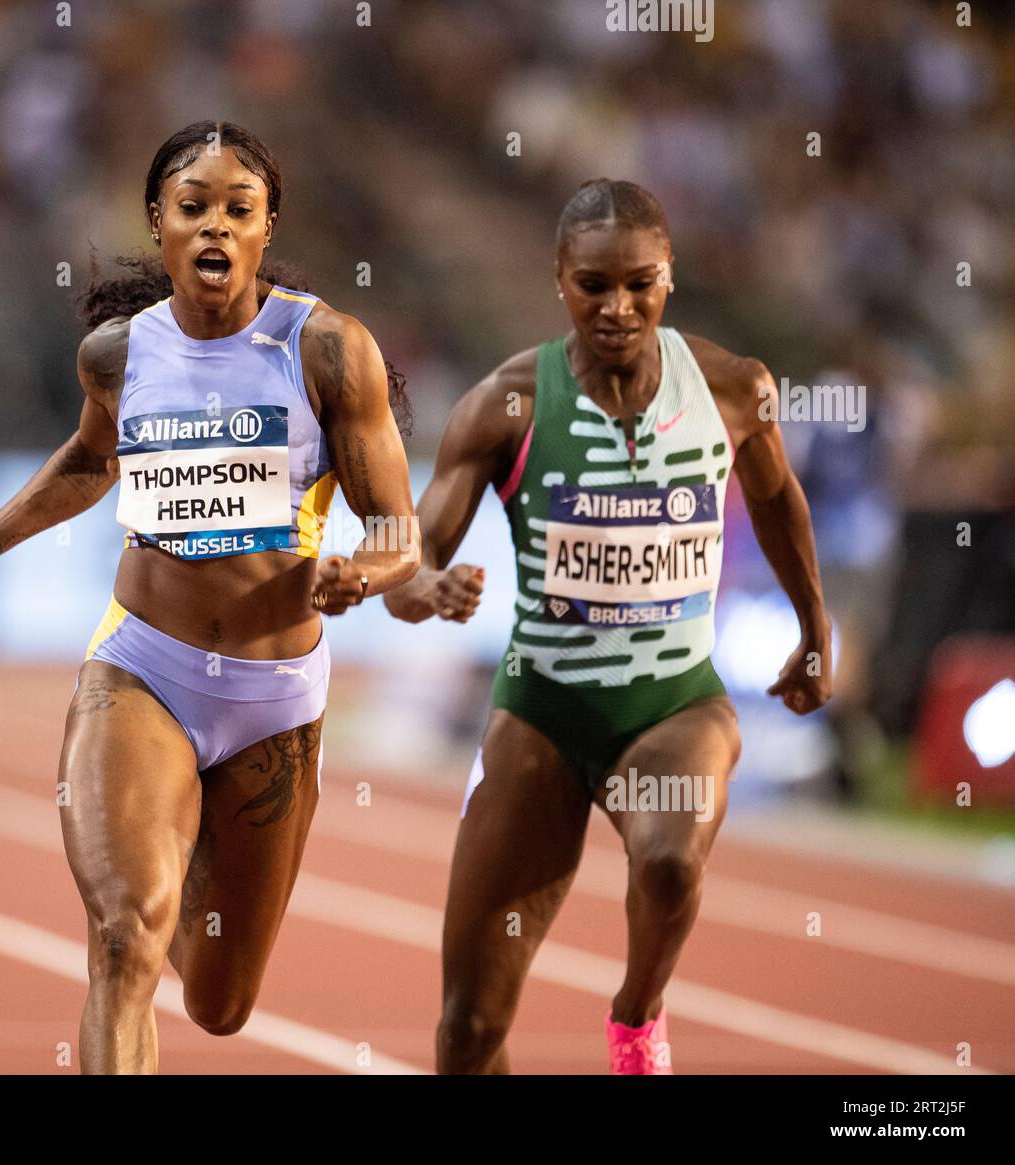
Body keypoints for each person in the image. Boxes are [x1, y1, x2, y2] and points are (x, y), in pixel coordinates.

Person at [0, 121, 419, 1073]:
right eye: (193, 207)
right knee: (125, 940)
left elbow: (399, 530)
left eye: (237, 211)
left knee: (218, 1001)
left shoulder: (327, 349)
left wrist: (362, 571)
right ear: (158, 223)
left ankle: (187, 847)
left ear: (265, 227)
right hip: (142, 669)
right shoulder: (118, 355)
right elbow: (90, 461)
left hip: (272, 697)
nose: (215, 227)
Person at [384, 178, 832, 1075]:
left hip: (672, 707)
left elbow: (777, 493)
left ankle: (637, 1017)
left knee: (668, 865)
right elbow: (408, 553)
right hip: (542, 714)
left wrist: (814, 626)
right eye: (595, 286)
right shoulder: (503, 405)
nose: (619, 308)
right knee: (469, 1031)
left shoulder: (734, 388)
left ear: (670, 278)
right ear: (560, 280)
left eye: (642, 284)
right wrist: (422, 589)